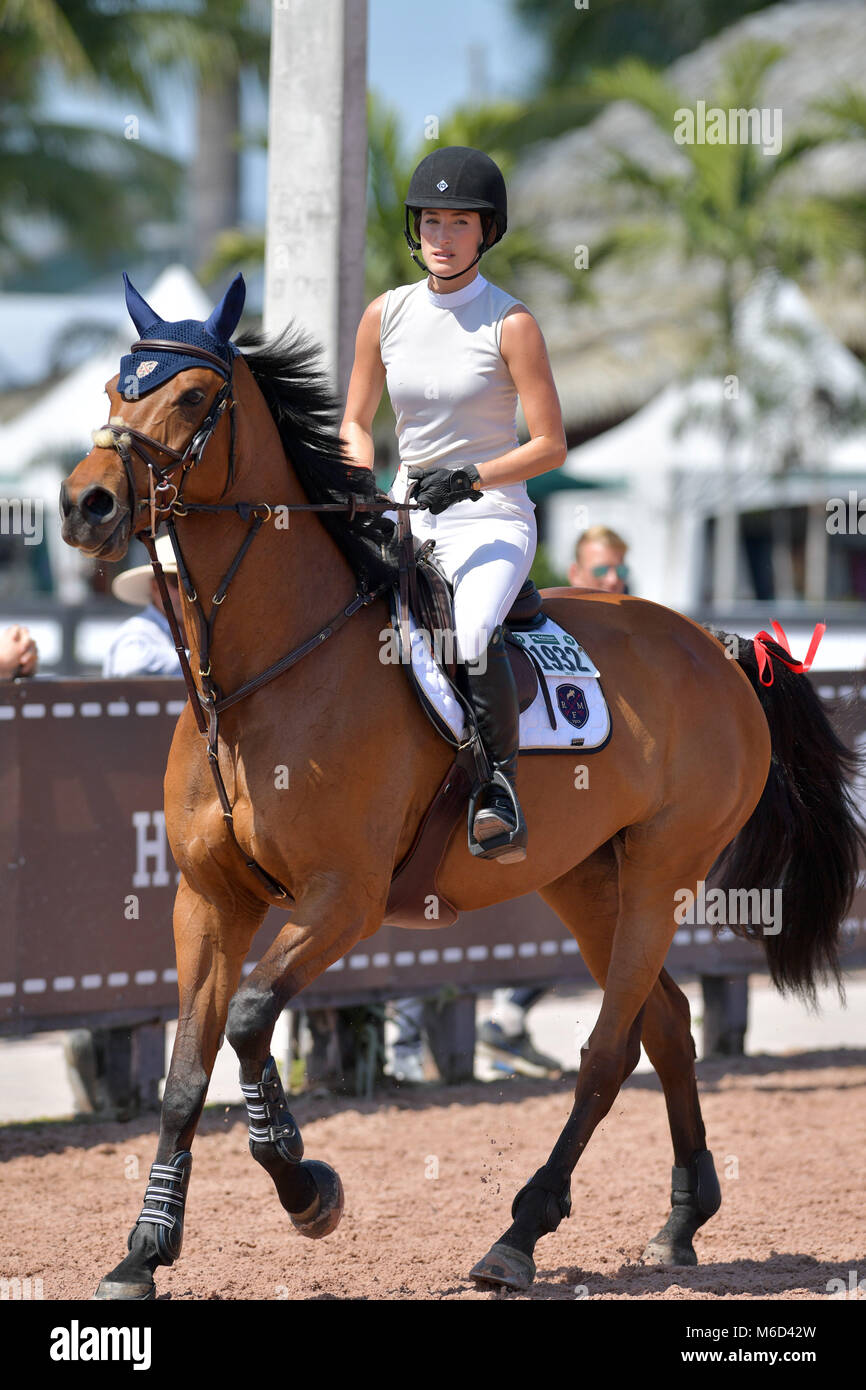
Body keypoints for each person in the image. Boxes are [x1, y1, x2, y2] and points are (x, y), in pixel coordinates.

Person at [340, 145, 566, 1081]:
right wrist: (359, 471)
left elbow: (550, 442)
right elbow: (358, 417)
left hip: (490, 513)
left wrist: (472, 475)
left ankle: (498, 791)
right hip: (405, 513)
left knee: (465, 634)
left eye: (458, 223)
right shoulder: (383, 314)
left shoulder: (510, 322)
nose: (441, 237)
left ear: (486, 231)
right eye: (430, 223)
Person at [477, 524, 631, 1076]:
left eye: (618, 568)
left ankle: (508, 1019)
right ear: (574, 573)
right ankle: (503, 1018)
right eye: (601, 568)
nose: (612, 578)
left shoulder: (628, 626)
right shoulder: (565, 622)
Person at [102, 533, 186, 677]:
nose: (186, 593)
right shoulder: (136, 631)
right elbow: (131, 667)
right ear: (155, 587)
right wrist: (200, 661)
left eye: (192, 584)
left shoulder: (200, 633)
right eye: (176, 581)